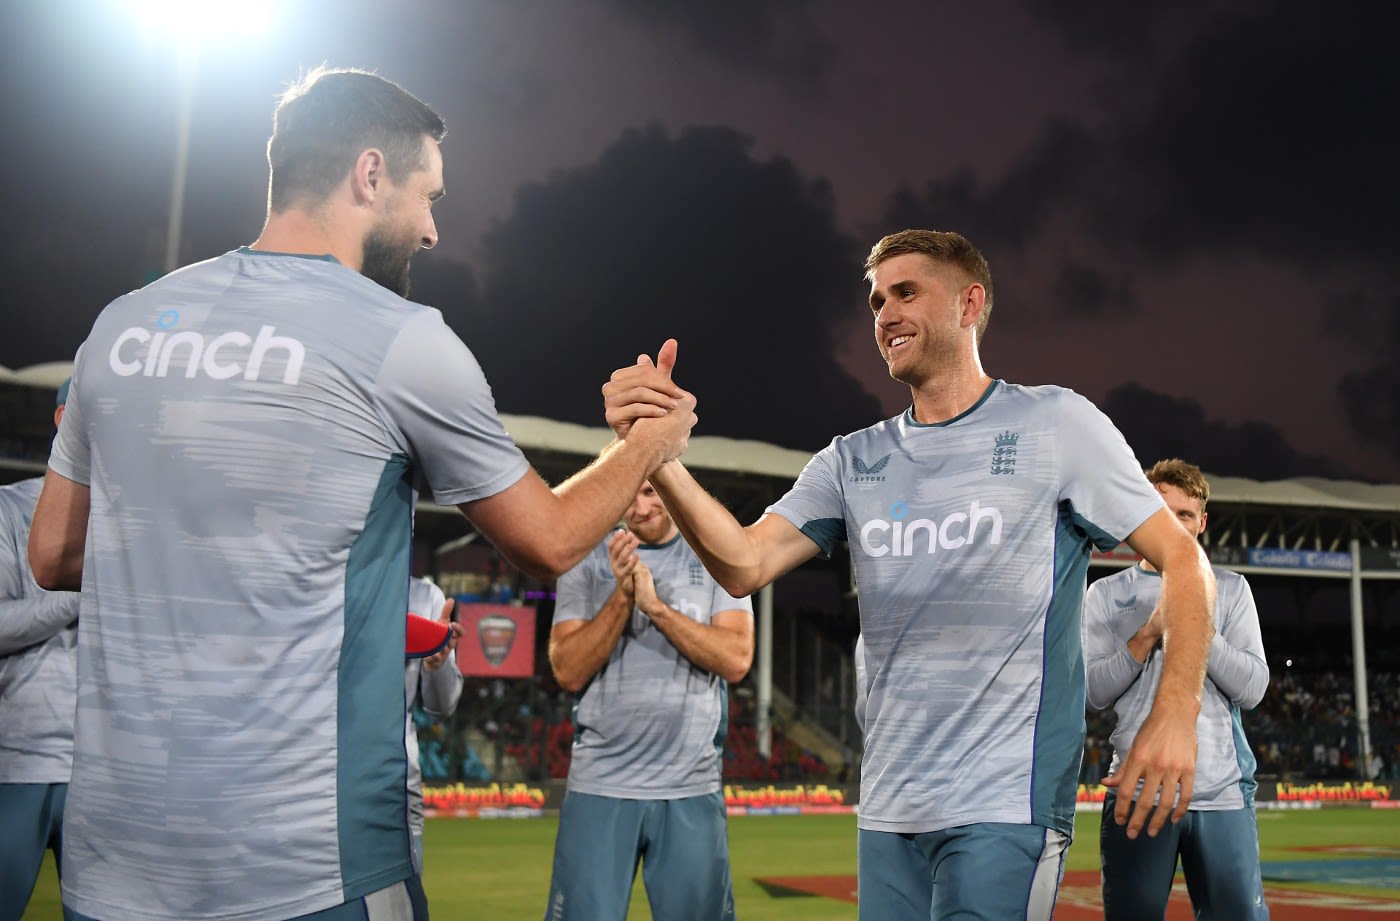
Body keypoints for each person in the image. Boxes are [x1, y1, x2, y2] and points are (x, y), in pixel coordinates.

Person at [27, 66, 695, 921]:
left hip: (114, 871)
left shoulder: (122, 324)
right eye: (429, 196)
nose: (431, 230)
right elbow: (552, 539)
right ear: (369, 174)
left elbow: (52, 553)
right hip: (307, 869)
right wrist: (650, 443)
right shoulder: (401, 340)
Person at [602, 229, 1216, 921]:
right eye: (874, 300)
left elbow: (1185, 560)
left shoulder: (1056, 423)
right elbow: (744, 562)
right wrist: (657, 455)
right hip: (889, 807)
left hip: (1005, 801)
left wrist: (1175, 710)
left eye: (905, 292)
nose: (883, 313)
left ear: (968, 304)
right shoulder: (850, 458)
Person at [544, 482, 754, 921]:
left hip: (689, 787)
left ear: (670, 488)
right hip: (600, 785)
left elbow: (736, 659)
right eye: (627, 497)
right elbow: (568, 669)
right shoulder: (584, 560)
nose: (640, 508)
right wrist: (623, 596)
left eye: (650, 492)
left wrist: (656, 608)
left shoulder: (716, 554)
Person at [1084, 458, 1270, 920]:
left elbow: (1253, 688)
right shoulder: (1106, 594)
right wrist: (1148, 633)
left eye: (1185, 515)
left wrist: (1196, 625)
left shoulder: (1231, 589)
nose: (1174, 523)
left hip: (1221, 792)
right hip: (1137, 789)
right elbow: (1091, 692)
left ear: (1202, 522)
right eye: (1161, 511)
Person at [0, 382, 80, 921]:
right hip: (21, 761)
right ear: (63, 419)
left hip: (115, 769)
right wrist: (83, 592)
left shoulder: (151, 522)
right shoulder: (9, 508)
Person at [404, 576, 464, 875]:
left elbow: (441, 709)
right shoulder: (318, 579)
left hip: (396, 785)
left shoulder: (425, 596)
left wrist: (436, 665)